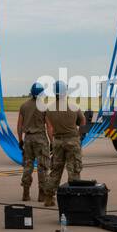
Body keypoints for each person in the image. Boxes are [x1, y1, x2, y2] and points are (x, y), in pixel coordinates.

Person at [43, 80, 86, 208]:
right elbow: (82, 120)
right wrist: (80, 135)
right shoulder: (73, 106)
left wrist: (52, 141)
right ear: (65, 92)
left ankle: (49, 197)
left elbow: (49, 128)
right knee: (74, 170)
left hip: (57, 141)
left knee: (55, 171)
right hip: (72, 140)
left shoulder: (49, 109)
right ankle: (74, 198)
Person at [16, 82, 52, 203]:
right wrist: (52, 142)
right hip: (41, 139)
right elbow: (49, 127)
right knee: (43, 167)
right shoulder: (44, 106)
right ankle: (42, 194)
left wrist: (20, 140)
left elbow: (19, 125)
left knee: (28, 166)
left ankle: (25, 193)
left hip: (28, 139)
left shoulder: (24, 106)